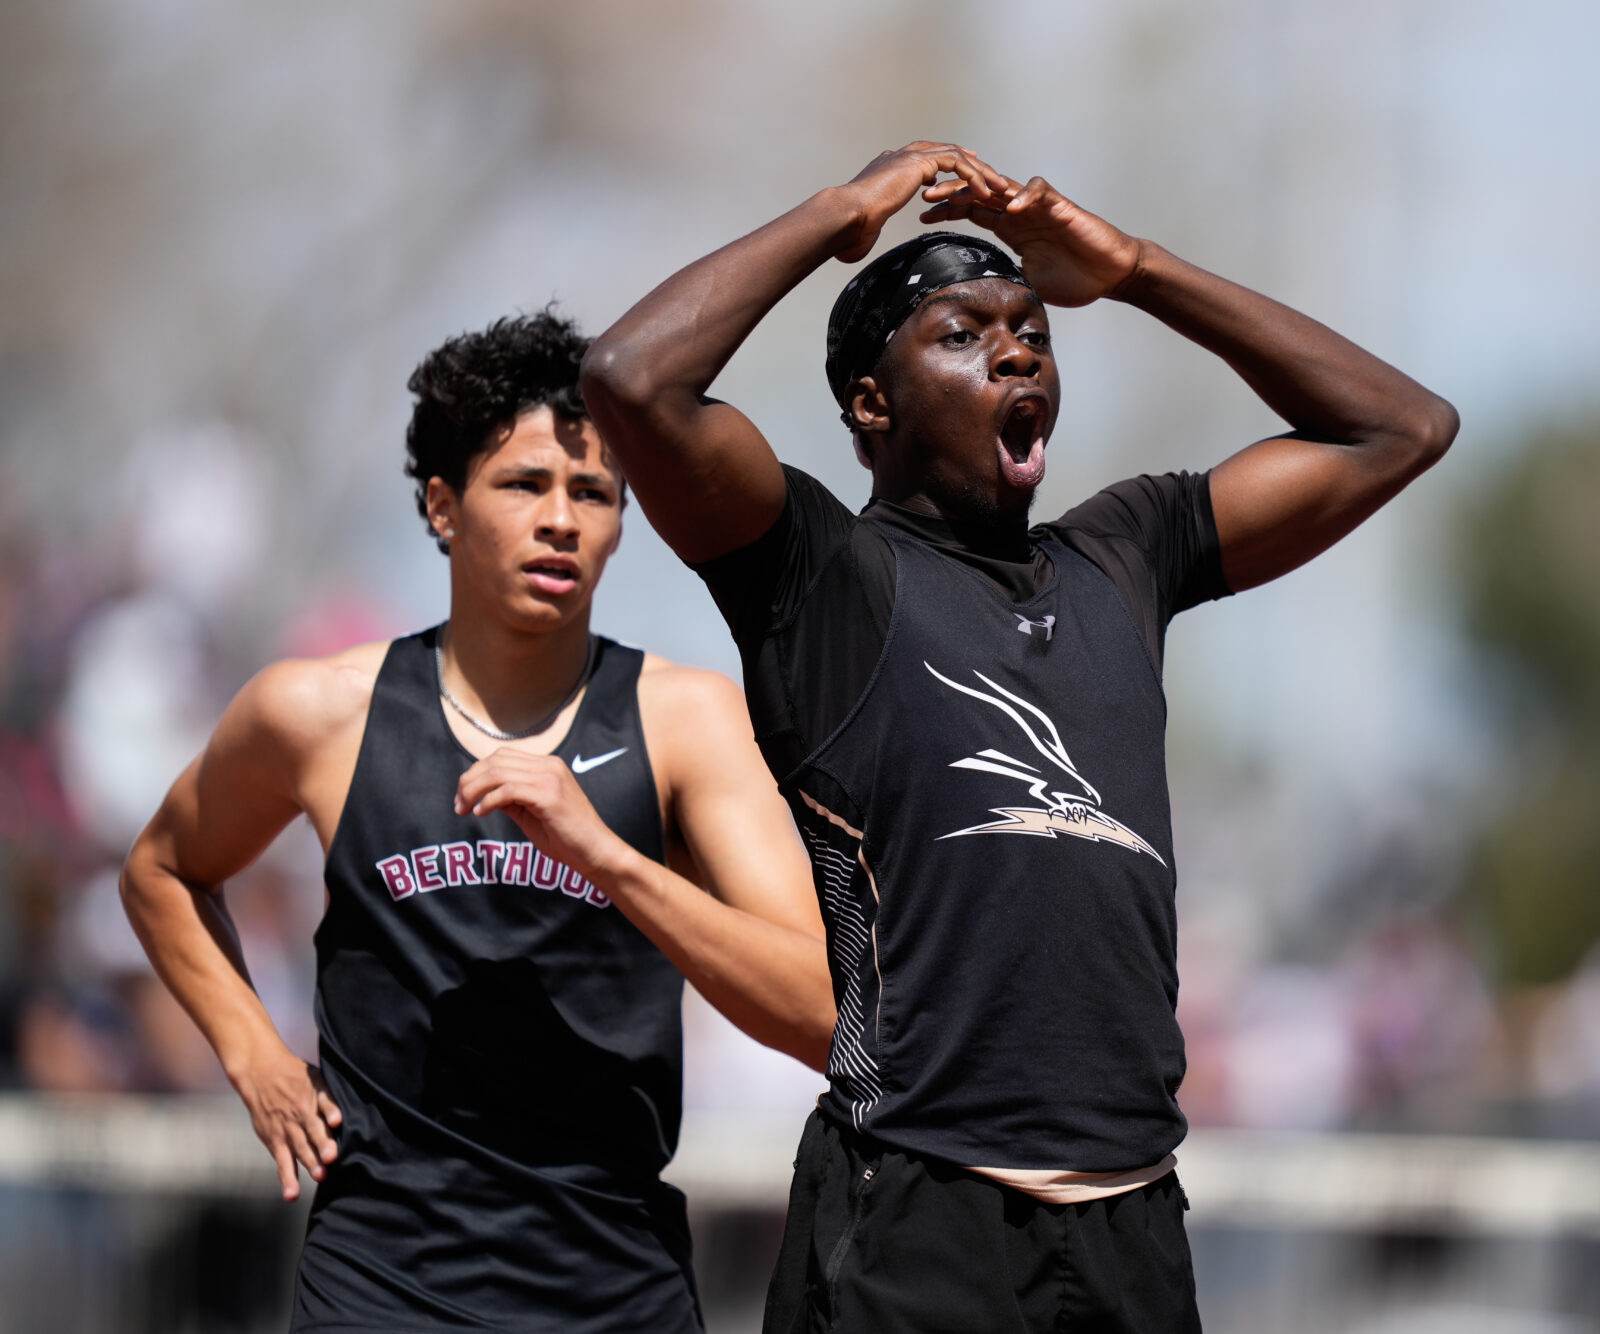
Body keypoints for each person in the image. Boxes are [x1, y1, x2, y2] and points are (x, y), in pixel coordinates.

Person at [579, 143, 1459, 1331]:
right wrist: (843, 212)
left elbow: (1400, 427)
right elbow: (632, 378)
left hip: (1134, 1223)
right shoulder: (825, 579)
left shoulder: (1126, 553)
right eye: (963, 332)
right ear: (871, 405)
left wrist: (1136, 269)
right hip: (917, 1209)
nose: (1015, 348)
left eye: (1033, 331)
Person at [120, 310, 835, 1333]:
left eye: (593, 492)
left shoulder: (686, 721)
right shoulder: (318, 711)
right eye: (525, 484)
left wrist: (608, 855)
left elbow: (821, 1009)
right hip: (382, 1288)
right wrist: (254, 1051)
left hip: (614, 1290)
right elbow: (161, 871)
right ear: (443, 505)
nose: (562, 519)